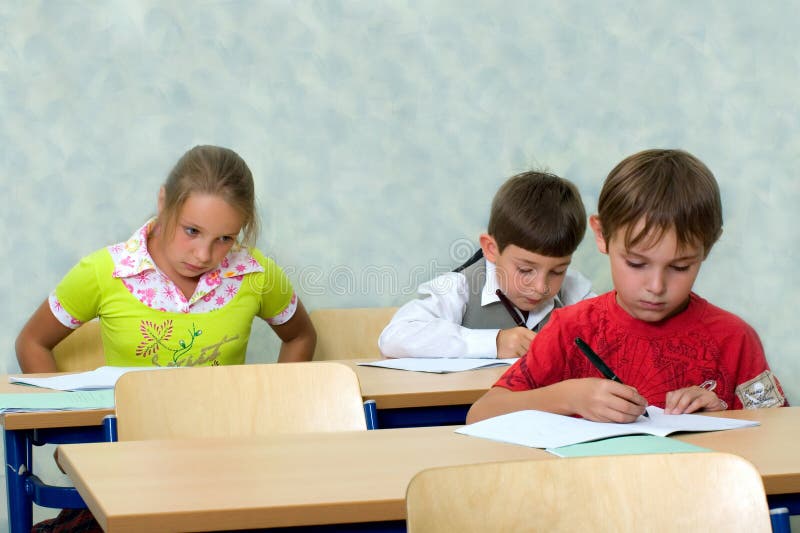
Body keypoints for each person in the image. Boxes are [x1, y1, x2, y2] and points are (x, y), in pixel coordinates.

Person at [467, 149, 787, 424]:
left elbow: (779, 432)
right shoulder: (570, 330)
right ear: (602, 235)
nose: (656, 286)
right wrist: (567, 397)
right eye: (636, 263)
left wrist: (724, 412)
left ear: (709, 247)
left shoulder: (734, 339)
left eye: (680, 267)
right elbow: (481, 414)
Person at [17, 145, 316, 373]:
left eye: (225, 238)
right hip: (131, 449)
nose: (203, 255)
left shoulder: (255, 273)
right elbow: (32, 342)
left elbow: (300, 336)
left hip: (225, 446)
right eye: (192, 230)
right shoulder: (104, 271)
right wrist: (72, 421)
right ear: (163, 202)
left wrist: (278, 408)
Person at [379, 170, 594, 359]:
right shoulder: (459, 288)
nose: (540, 286)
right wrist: (495, 342)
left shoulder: (573, 290)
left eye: (557, 271)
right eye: (525, 270)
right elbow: (395, 337)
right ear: (491, 249)